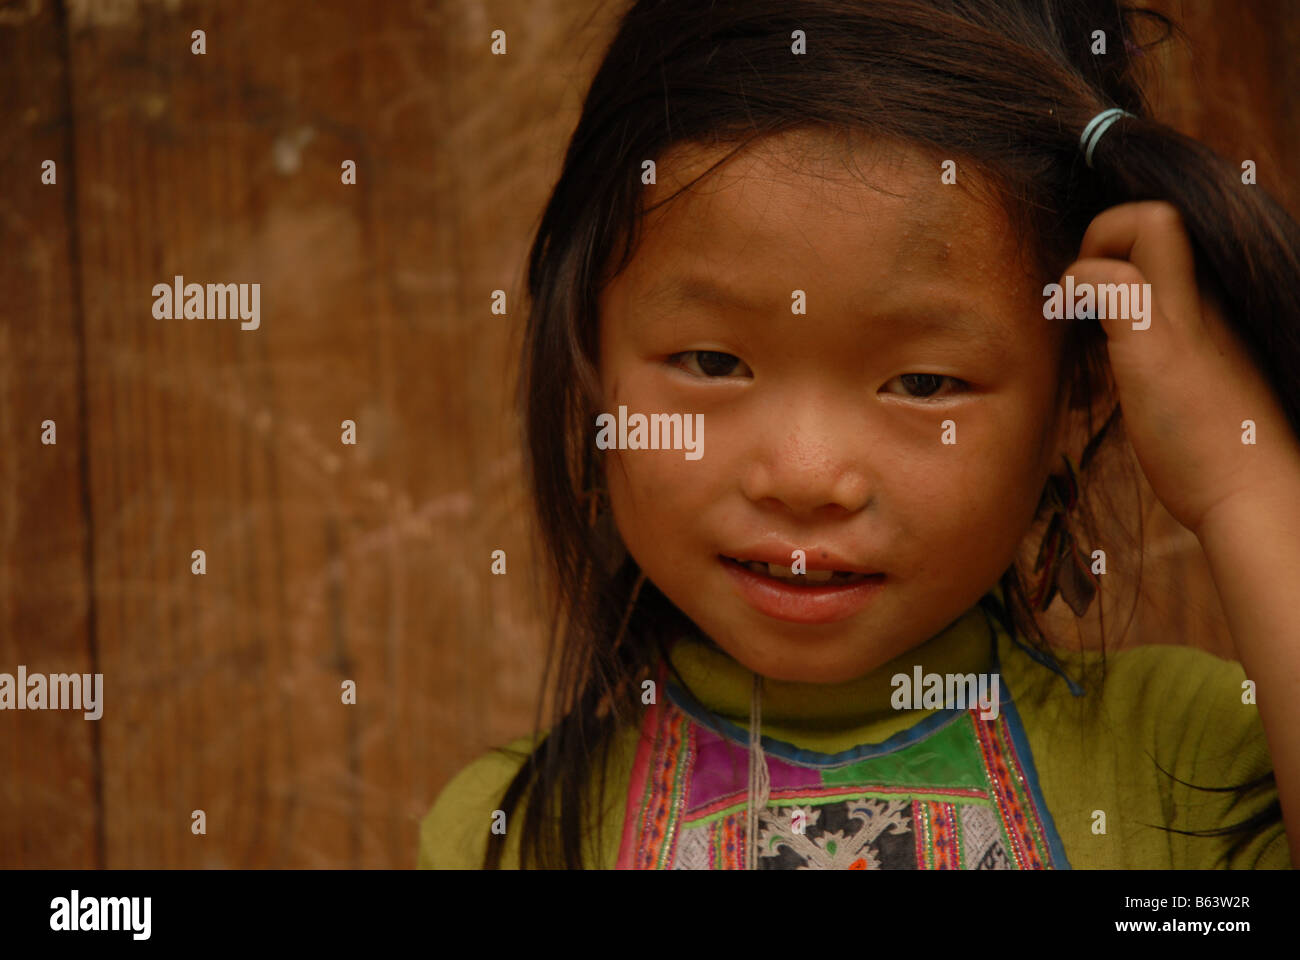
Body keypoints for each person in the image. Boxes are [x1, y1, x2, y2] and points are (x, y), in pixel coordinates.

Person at [420, 0, 1300, 869]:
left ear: (1078, 387)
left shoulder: (1193, 765)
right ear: (588, 351)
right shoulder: (507, 831)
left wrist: (1245, 486)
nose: (805, 476)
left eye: (922, 384)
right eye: (712, 363)